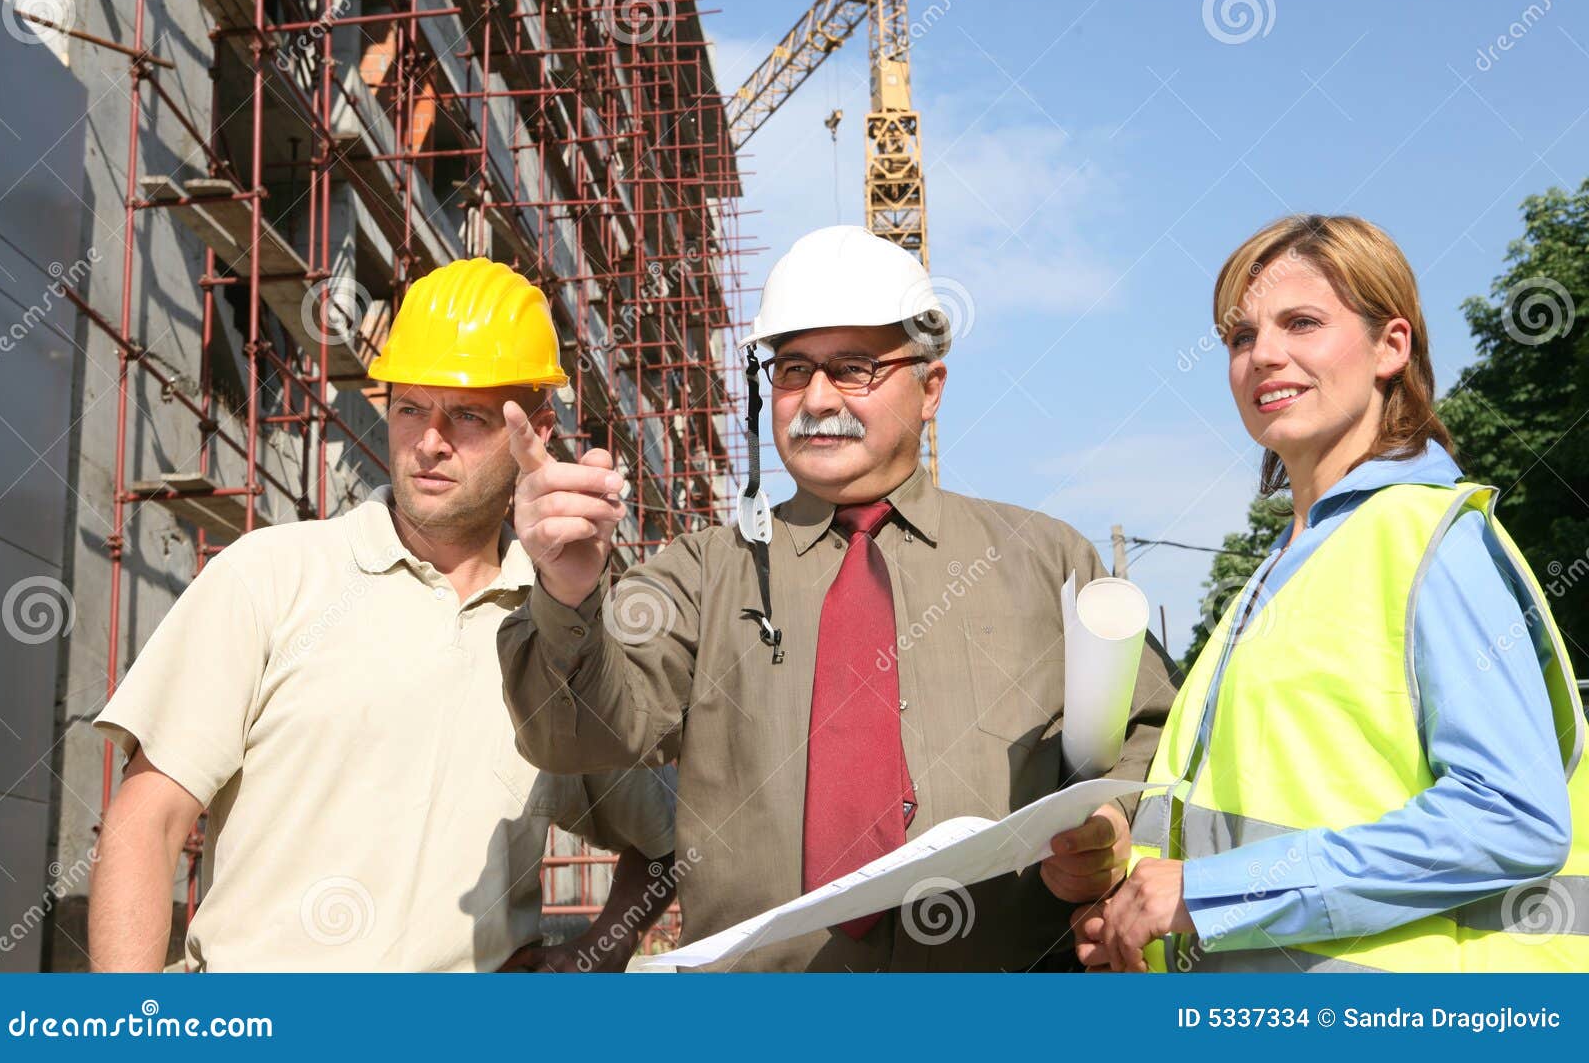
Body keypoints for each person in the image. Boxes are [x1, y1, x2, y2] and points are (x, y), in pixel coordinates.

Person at [499, 225, 1178, 971]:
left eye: (853, 368)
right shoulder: (701, 574)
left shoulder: (1049, 562)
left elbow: (1153, 738)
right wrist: (568, 592)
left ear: (931, 388)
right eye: (793, 370)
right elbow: (570, 735)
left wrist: (1114, 826)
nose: (817, 399)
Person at [90, 258, 677, 972]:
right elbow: (146, 824)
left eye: (467, 414)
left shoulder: (561, 634)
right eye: (409, 408)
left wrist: (592, 956)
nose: (429, 441)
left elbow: (667, 839)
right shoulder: (269, 576)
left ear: (539, 428)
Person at [1087, 214, 1589, 972]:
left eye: (1302, 323)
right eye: (1240, 336)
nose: (1265, 355)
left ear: (1392, 346)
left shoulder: (1426, 540)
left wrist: (1211, 893)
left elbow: (1513, 815)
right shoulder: (1281, 571)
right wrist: (1136, 907)